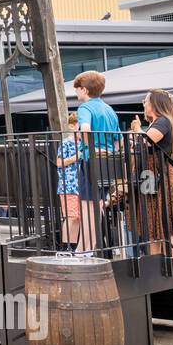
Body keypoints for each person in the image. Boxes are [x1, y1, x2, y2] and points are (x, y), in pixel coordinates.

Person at [130, 89, 173, 280]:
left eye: (146, 101)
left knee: (163, 229)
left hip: (161, 180)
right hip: (155, 179)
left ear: (156, 104)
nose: (144, 104)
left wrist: (137, 131)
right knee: (155, 229)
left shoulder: (162, 121)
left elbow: (147, 141)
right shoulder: (165, 122)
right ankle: (159, 270)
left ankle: (165, 271)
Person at [73, 70, 121, 251]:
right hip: (108, 164)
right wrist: (108, 152)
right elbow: (118, 141)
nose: (76, 93)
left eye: (77, 89)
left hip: (91, 161)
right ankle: (86, 247)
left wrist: (93, 149)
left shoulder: (85, 108)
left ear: (84, 90)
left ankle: (84, 250)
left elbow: (85, 129)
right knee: (98, 206)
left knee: (86, 208)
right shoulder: (109, 109)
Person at [55, 113, 81, 250]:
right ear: (72, 126)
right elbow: (59, 163)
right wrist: (75, 157)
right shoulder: (65, 143)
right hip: (69, 184)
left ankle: (73, 245)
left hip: (79, 184)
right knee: (71, 216)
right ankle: (66, 246)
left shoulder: (82, 143)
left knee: (77, 217)